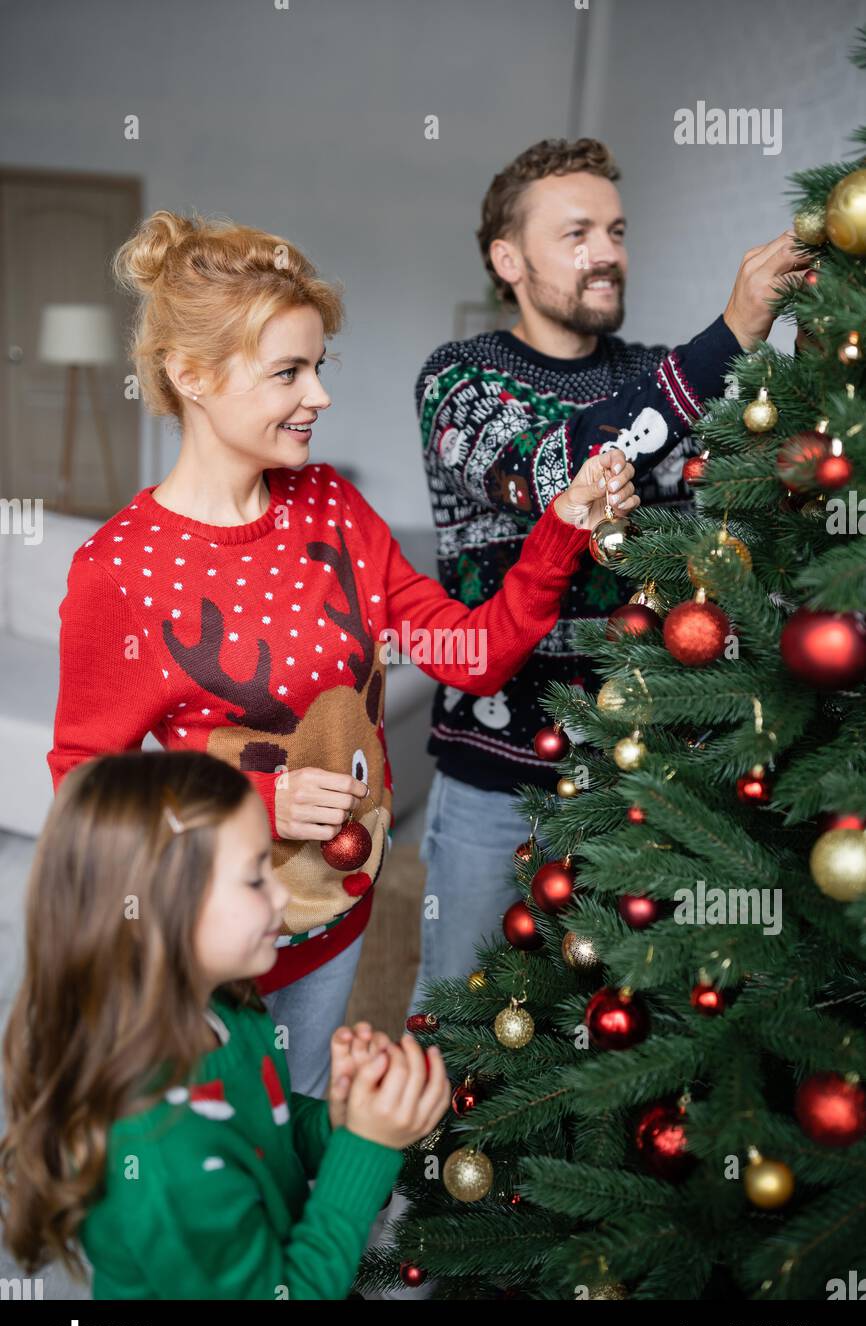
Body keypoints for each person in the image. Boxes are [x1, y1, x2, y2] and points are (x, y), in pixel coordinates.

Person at [46, 209, 639, 1097]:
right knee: (234, 1164)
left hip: (336, 915)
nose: (319, 396)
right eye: (288, 371)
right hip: (209, 942)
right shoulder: (119, 568)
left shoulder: (330, 505)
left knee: (312, 1111)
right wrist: (257, 801)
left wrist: (559, 532)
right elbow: (88, 787)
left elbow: (467, 653)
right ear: (190, 375)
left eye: (319, 367)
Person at [409, 136, 809, 1007]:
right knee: (460, 1008)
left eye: (618, 231)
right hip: (495, 770)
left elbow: (758, 477)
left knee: (620, 1016)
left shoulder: (664, 374)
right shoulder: (459, 380)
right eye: (578, 232)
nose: (609, 254)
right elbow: (560, 469)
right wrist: (734, 328)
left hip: (646, 767)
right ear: (506, 259)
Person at [0, 750, 452, 1299]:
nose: (281, 894)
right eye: (254, 878)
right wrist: (366, 1148)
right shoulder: (166, 1157)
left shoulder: (225, 1012)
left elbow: (265, 1131)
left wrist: (342, 1120)